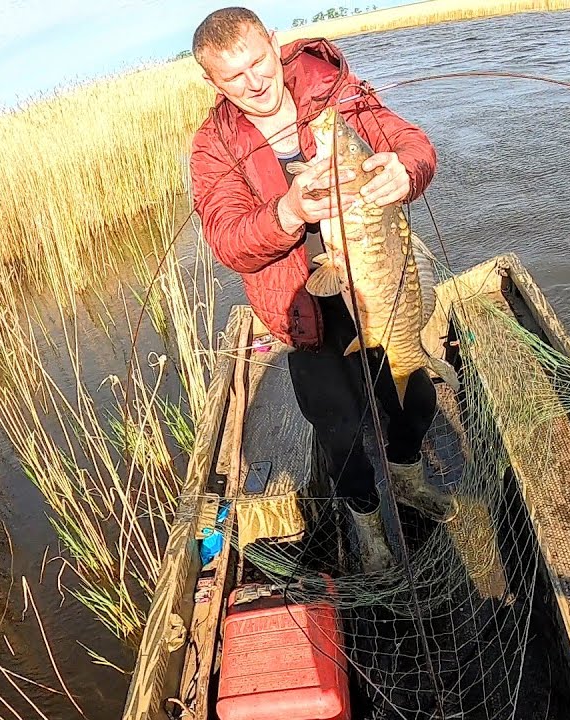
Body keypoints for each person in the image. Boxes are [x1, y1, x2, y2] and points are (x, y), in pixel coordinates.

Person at [187, 7, 456, 572]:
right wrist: (286, 211)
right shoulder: (215, 146)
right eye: (234, 77)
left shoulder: (331, 88)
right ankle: (366, 522)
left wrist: (406, 170)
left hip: (381, 285)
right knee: (340, 431)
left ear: (273, 45)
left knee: (416, 396)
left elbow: (410, 142)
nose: (255, 82)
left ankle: (406, 479)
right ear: (212, 82)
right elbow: (228, 240)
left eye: (259, 62)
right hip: (304, 312)